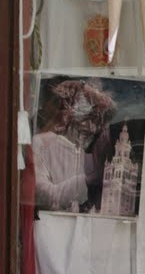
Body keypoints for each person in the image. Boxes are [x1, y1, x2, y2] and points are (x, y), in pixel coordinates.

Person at [31, 77, 115, 213]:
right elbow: (46, 196)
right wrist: (88, 180)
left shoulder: (91, 147)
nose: (92, 126)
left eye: (93, 116)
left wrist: (83, 87)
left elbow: (111, 110)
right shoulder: (42, 143)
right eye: (86, 111)